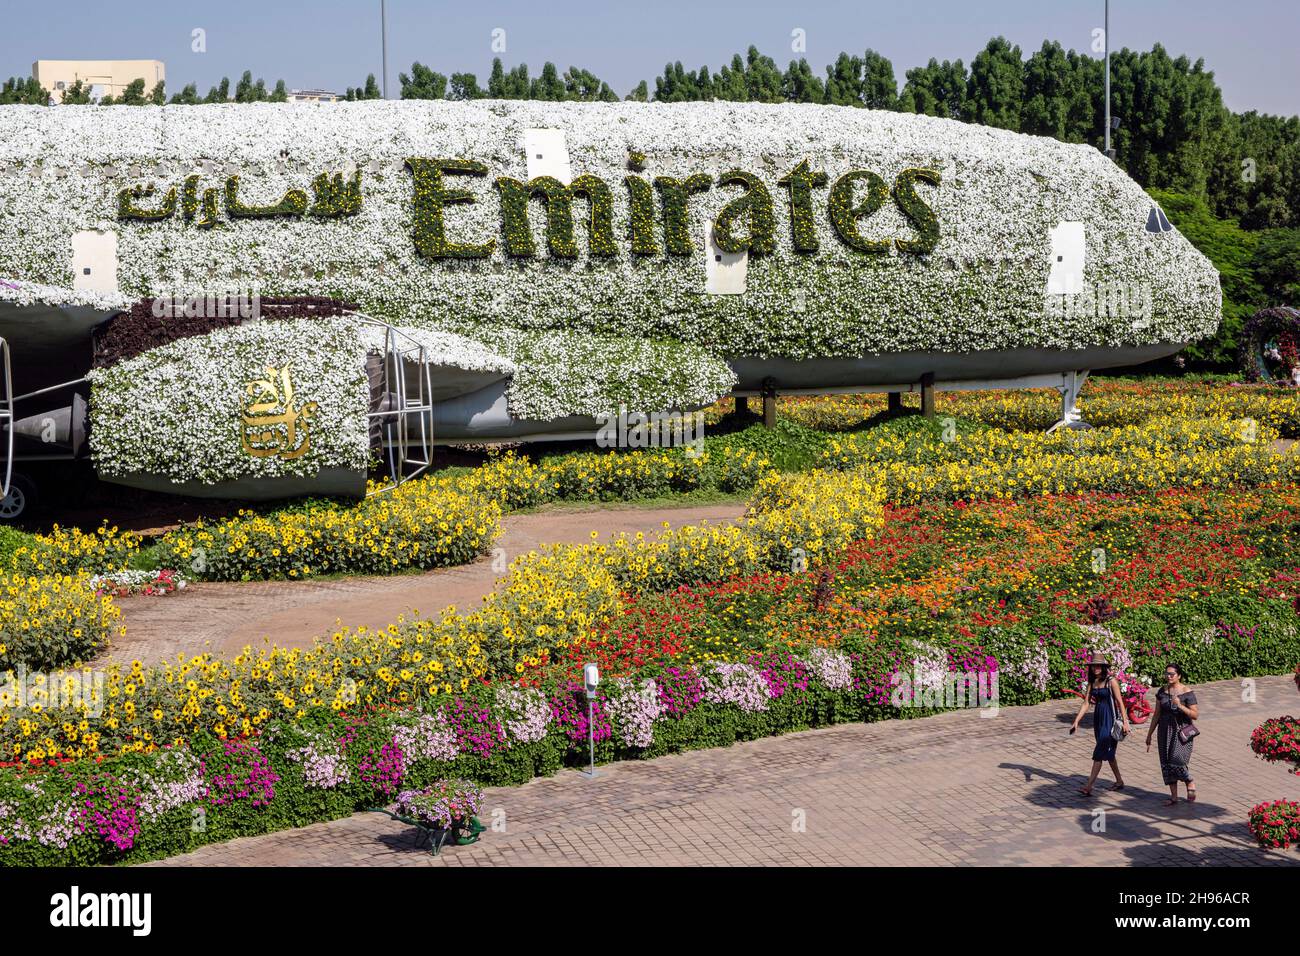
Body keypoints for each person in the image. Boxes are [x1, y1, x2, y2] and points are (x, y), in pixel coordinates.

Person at [1069, 652, 1131, 796]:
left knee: (1099, 752)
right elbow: (1086, 703)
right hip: (1098, 719)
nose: (1096, 668)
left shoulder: (1111, 681)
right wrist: (1076, 721)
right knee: (1108, 752)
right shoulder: (1092, 682)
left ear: (1103, 667)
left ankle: (1088, 786)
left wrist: (1125, 722)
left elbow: (1120, 702)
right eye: (1093, 666)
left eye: (1099, 666)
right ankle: (1119, 781)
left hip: (1110, 719)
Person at [1146, 663, 1199, 805]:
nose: (1168, 676)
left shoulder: (1187, 692)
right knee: (1166, 763)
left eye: (1171, 674)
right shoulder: (1162, 692)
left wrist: (1180, 705)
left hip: (1182, 731)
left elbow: (1195, 715)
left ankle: (1189, 781)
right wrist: (1149, 734)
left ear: (1179, 675)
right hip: (1164, 730)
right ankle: (1174, 797)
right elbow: (1156, 714)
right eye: (1167, 674)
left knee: (1177, 761)